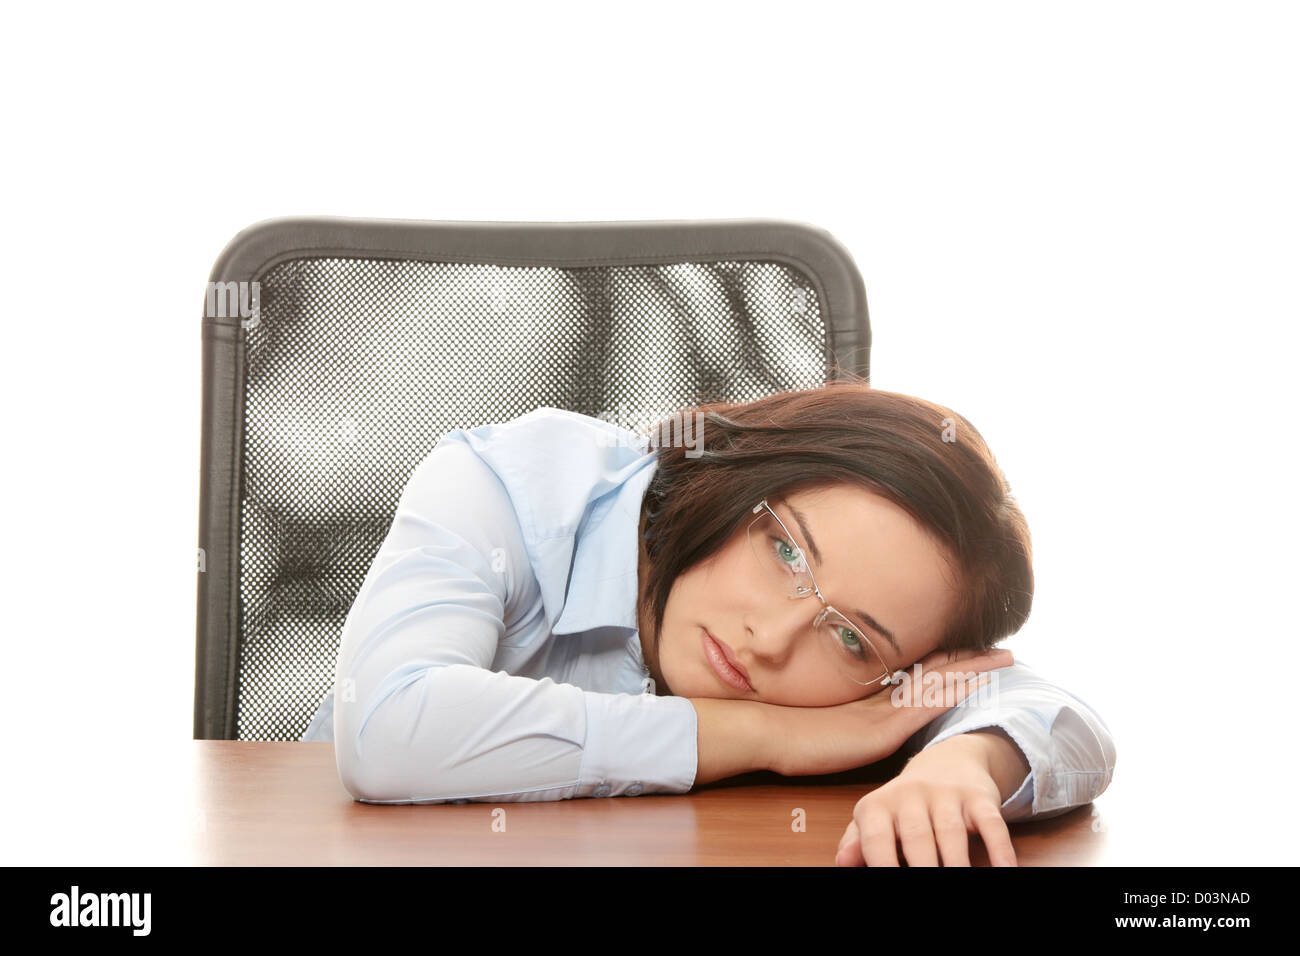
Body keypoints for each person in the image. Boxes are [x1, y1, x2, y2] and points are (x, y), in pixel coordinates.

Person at [300, 379, 1116, 867]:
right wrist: (762, 734)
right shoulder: (510, 487)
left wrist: (969, 763)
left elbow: (1045, 711)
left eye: (848, 638)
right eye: (788, 554)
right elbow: (387, 732)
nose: (771, 637)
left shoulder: (884, 683)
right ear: (743, 471)